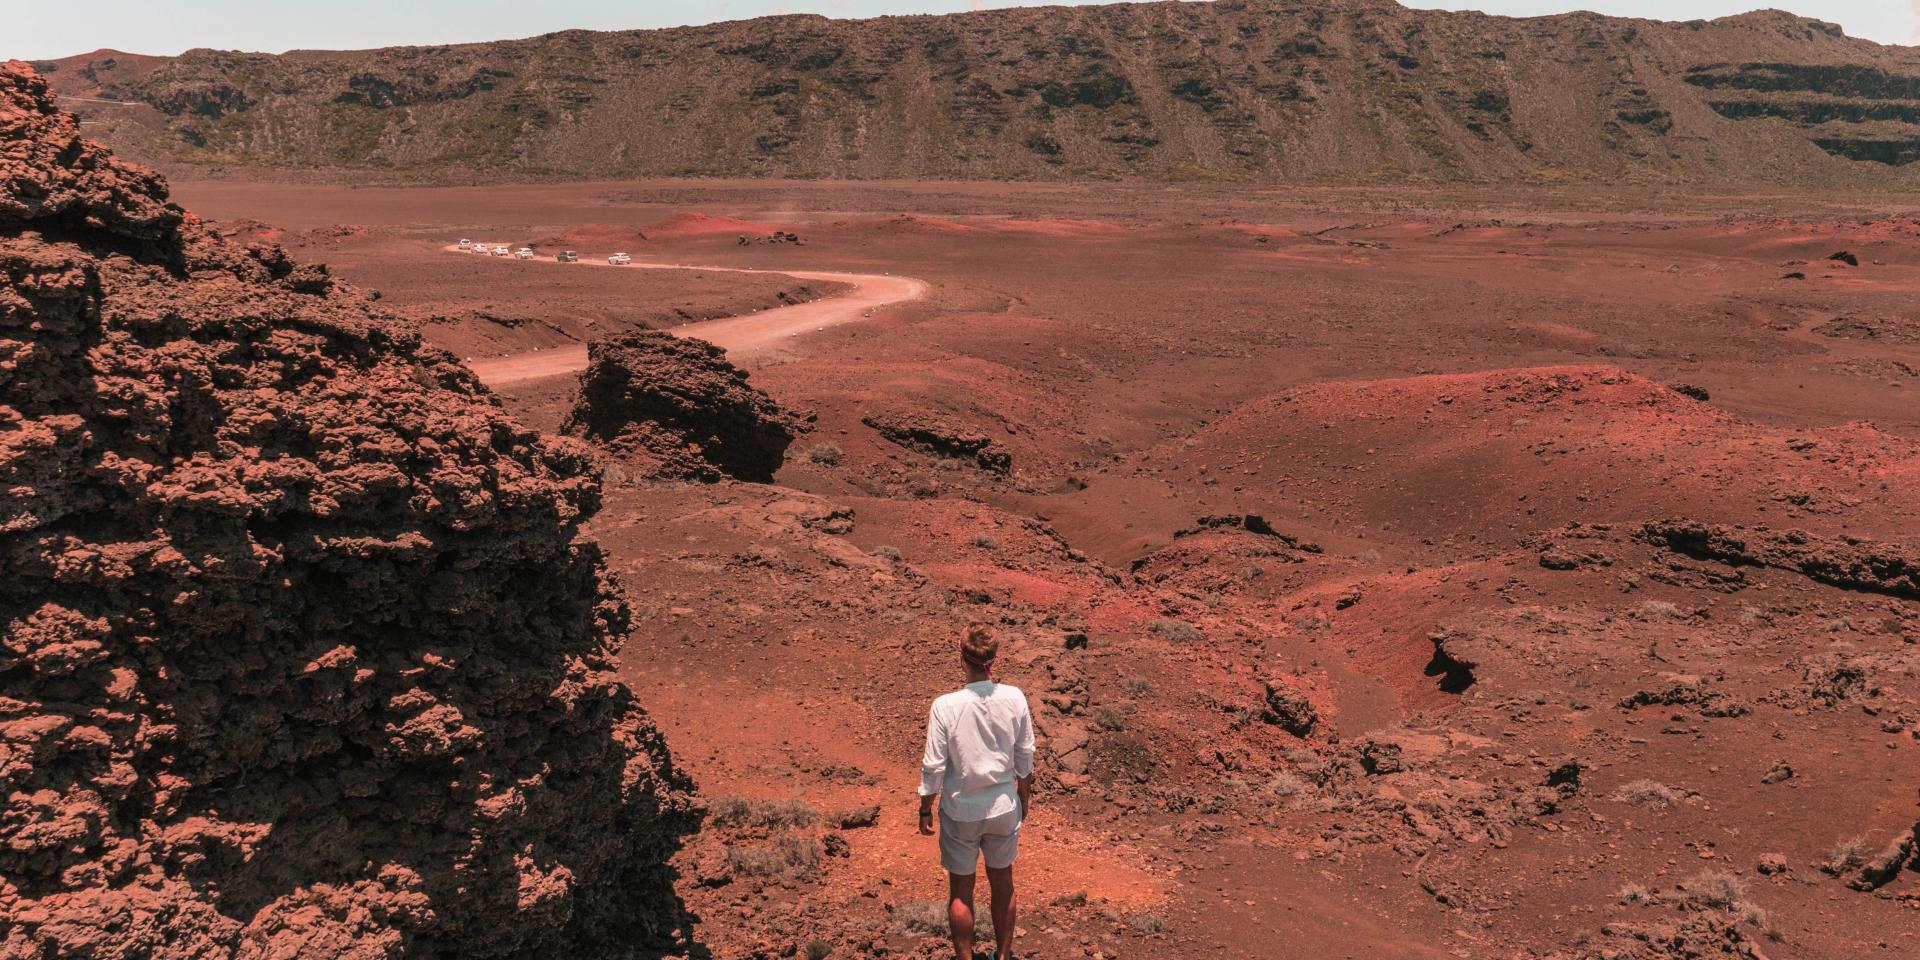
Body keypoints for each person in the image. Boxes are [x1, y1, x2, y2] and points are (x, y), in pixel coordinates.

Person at [917, 623, 1035, 960]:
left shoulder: (946, 706)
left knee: (961, 891)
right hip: (1002, 807)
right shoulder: (1014, 697)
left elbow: (934, 765)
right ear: (993, 659)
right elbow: (1024, 754)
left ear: (961, 654)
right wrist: (1023, 797)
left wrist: (926, 808)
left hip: (961, 811)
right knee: (1003, 884)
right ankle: (1003, 955)